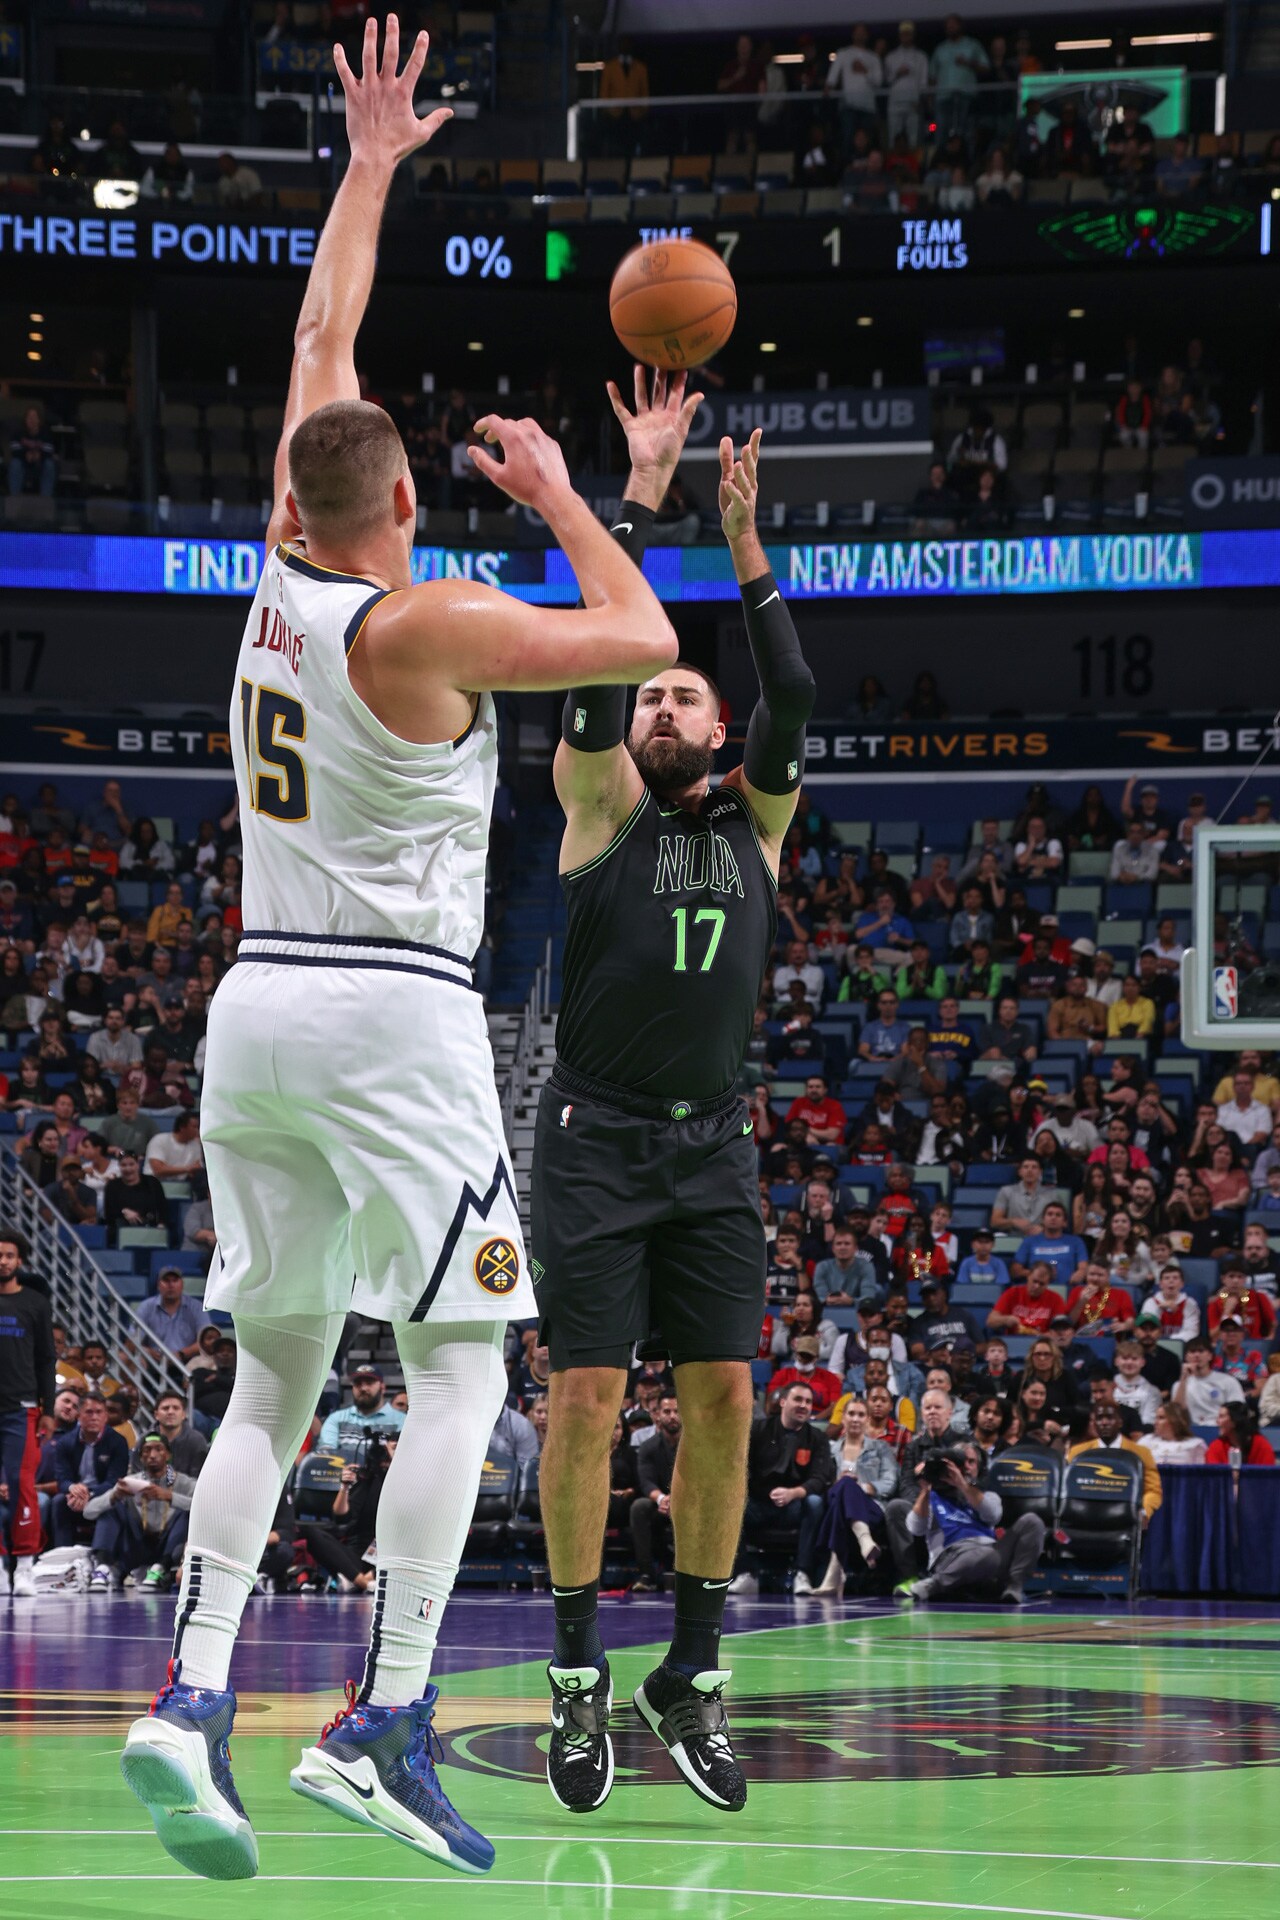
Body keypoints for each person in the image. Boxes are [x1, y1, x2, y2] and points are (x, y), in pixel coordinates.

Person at [122, 21, 681, 1884]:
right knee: (461, 1380)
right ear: (412, 510)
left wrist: (368, 163)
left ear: (294, 500)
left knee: (271, 1382)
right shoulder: (432, 624)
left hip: (253, 1002)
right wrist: (566, 496)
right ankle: (388, 1717)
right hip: (393, 1019)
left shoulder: (278, 574)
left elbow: (319, 348)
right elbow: (642, 631)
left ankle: (190, 1699)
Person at [530, 372, 815, 1812]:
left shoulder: (762, 820)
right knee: (581, 1401)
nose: (655, 699)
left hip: (713, 1149)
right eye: (647, 689)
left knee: (725, 1399)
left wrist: (744, 543)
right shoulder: (597, 807)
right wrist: (635, 499)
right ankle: (578, 1679)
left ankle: (688, 1673)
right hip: (590, 1144)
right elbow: (591, 662)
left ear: (720, 731)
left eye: (681, 690)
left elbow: (799, 694)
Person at [902, 1437, 1044, 1605]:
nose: (967, 1467)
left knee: (1032, 1521)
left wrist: (962, 1485)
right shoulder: (932, 1498)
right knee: (986, 1554)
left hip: (992, 1557)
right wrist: (926, 1490)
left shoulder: (987, 1495)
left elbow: (993, 1515)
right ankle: (935, 1584)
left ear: (979, 1467)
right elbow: (915, 1528)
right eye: (962, 1461)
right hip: (952, 1557)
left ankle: (1014, 1587)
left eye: (972, 1462)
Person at [731, 1381, 836, 1599]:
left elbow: (819, 1479)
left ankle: (803, 1573)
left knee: (815, 1502)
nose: (804, 1405)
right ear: (783, 1402)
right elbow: (739, 1468)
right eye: (798, 1399)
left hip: (794, 1508)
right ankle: (745, 1573)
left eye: (808, 1402)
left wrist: (794, 1493)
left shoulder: (817, 1438)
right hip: (759, 1503)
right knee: (729, 1503)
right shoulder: (757, 1430)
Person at [0, 1231, 56, 1597]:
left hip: (20, 1410)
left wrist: (49, 1410)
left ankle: (23, 1567)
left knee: (22, 1487)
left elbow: (46, 1359)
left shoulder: (35, 1304)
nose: (2, 1261)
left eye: (8, 1255)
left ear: (19, 1261)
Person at [1068, 1402, 1162, 1525]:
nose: (1104, 1422)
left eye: (1110, 1418)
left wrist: (1144, 1511)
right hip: (1084, 1516)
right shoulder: (1078, 1452)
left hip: (1126, 1517)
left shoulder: (1142, 1453)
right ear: (1094, 1423)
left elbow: (1153, 1490)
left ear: (1120, 1422)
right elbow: (1068, 1488)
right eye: (1099, 1418)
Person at [629, 1393, 682, 1592]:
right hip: (661, 1504)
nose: (673, 1416)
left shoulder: (695, 1446)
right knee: (639, 1507)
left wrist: (679, 1500)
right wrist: (661, 1499)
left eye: (677, 1411)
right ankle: (646, 1574)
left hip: (689, 1503)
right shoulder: (648, 1447)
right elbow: (646, 1481)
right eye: (667, 1411)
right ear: (657, 1415)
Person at [315, 1364, 407, 1450]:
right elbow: (327, 1454)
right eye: (358, 1383)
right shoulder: (336, 1418)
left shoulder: (402, 1421)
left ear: (383, 1388)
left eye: (369, 1383)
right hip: (341, 1468)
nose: (363, 1388)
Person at [1174, 1336, 1246, 1426]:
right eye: (1192, 1352)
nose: (1197, 1355)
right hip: (1190, 1430)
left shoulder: (1228, 1381)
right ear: (1186, 1357)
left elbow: (1238, 1410)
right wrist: (1183, 1378)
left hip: (1219, 1428)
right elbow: (1176, 1412)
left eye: (1201, 1351)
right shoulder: (1179, 1385)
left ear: (1210, 1356)